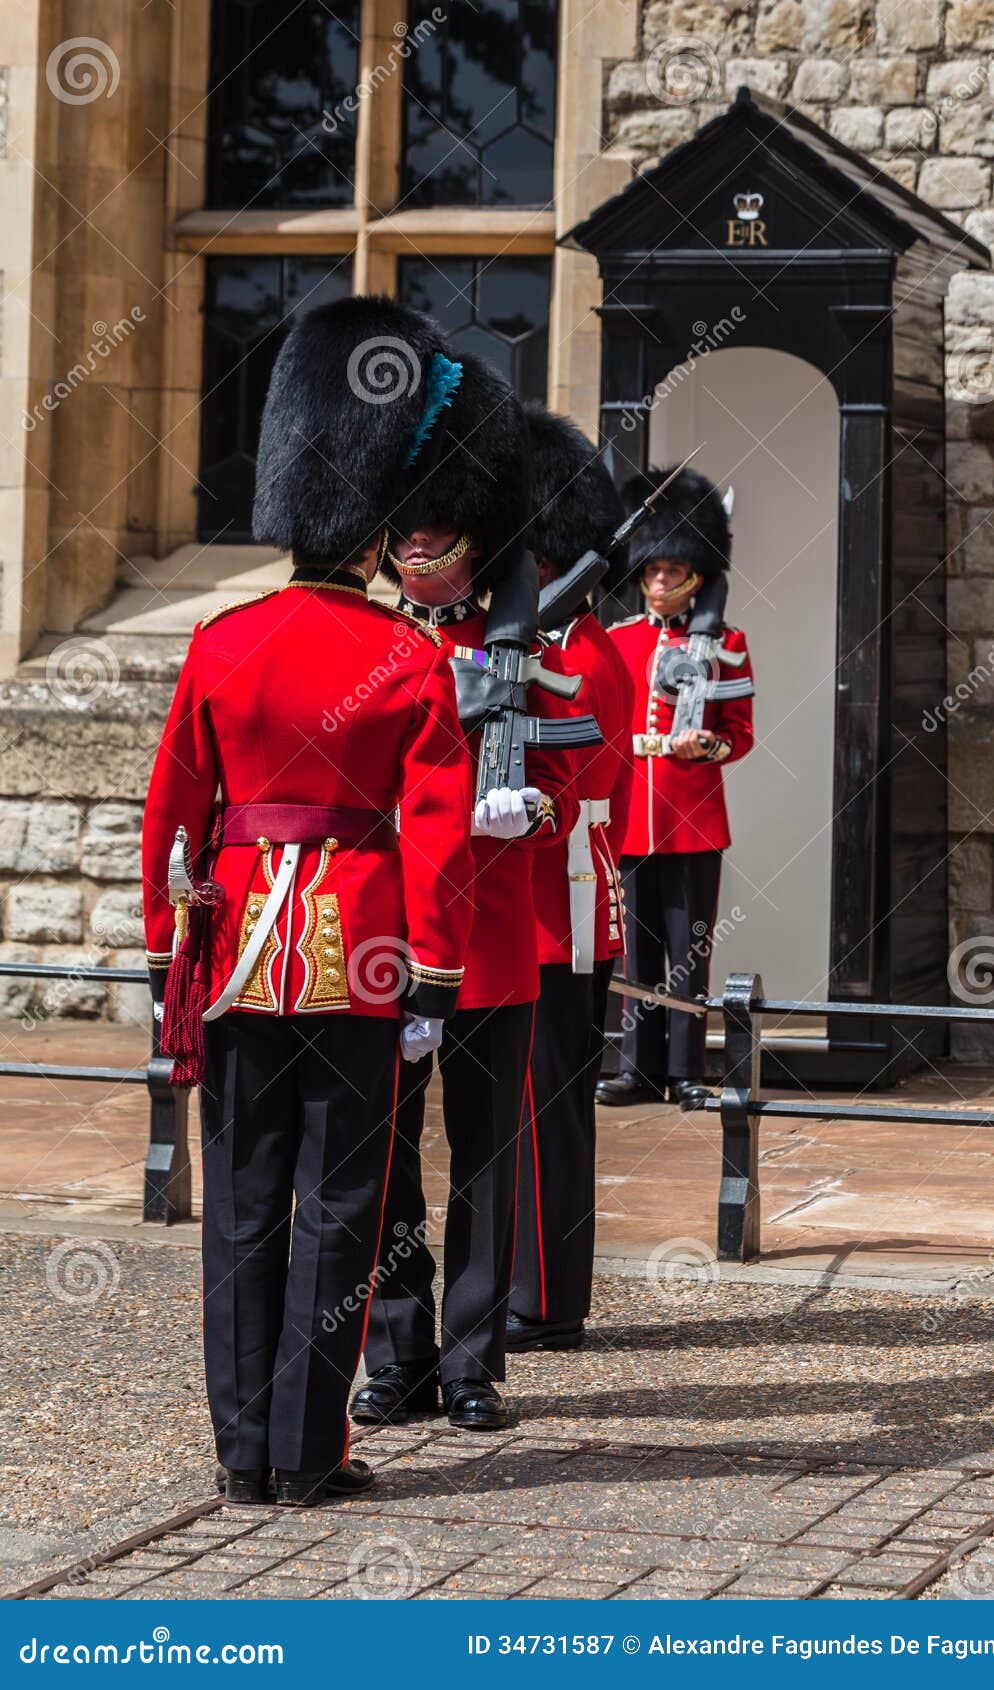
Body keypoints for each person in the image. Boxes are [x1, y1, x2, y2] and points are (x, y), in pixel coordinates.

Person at [142, 295, 479, 1507]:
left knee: (239, 1204)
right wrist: (434, 966)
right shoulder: (411, 659)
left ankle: (241, 1456)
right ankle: (305, 1450)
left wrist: (166, 943)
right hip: (364, 950)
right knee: (341, 1205)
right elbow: (437, 831)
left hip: (233, 945)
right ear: (378, 532)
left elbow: (174, 808)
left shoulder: (223, 641)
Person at [351, 362, 584, 1433]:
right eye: (405, 533)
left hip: (488, 935)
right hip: (382, 938)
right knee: (383, 1160)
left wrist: (527, 811)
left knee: (486, 1155)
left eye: (435, 533)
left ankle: (470, 1362)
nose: (416, 549)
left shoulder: (528, 648)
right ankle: (395, 1355)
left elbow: (573, 773)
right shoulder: (373, 647)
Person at [507, 406, 634, 1354]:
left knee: (545, 1107)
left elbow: (557, 783)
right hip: (550, 890)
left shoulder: (572, 656)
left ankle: (546, 1298)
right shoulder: (563, 644)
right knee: (531, 1105)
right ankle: (530, 1284)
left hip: (559, 896)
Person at [596, 466, 754, 1109]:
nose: (659, 582)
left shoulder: (727, 644)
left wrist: (707, 746)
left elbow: (739, 733)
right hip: (632, 817)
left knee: (689, 954)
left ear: (695, 574)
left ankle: (687, 1069)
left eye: (672, 571)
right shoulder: (618, 641)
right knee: (637, 954)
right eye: (651, 570)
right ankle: (637, 1066)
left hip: (691, 816)